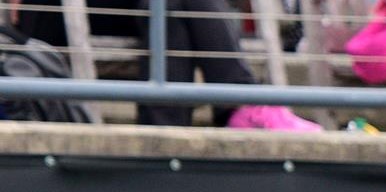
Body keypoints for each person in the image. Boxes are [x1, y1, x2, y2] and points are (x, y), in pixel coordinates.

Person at [19, 0, 320, 130]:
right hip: (58, 13)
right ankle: (240, 103)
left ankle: (162, 135)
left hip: (142, 11)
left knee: (168, 6)